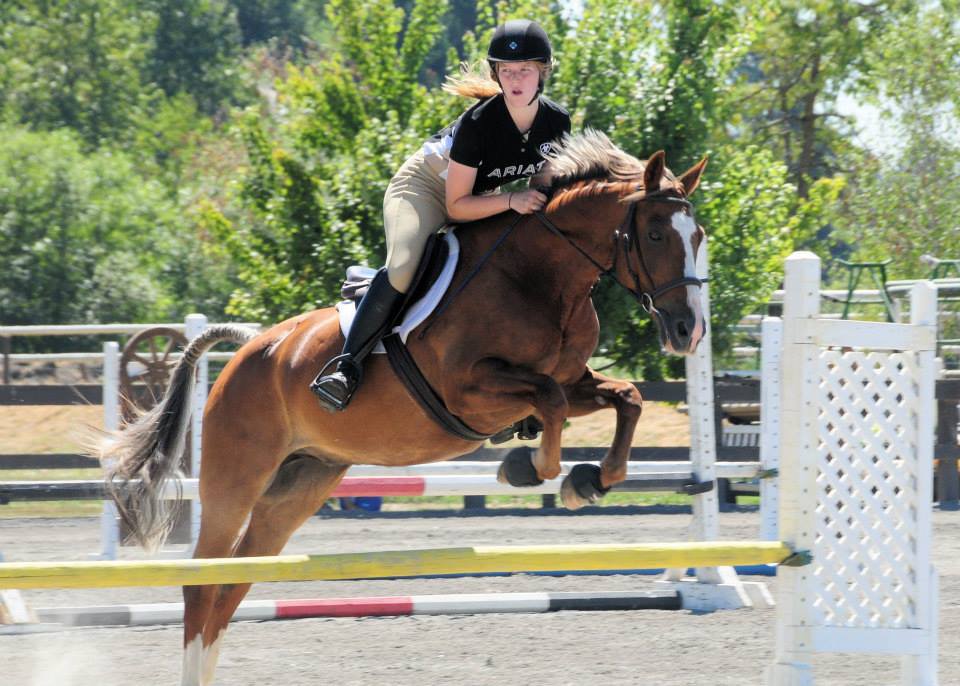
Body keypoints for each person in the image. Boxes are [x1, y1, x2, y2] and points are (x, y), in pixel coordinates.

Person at [311, 19, 572, 412]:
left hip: (488, 196)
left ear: (543, 73)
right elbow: (456, 208)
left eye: (525, 70)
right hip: (425, 191)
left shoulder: (557, 122)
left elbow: (539, 187)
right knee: (403, 268)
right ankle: (345, 368)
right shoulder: (479, 123)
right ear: (496, 74)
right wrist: (513, 202)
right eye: (507, 70)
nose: (516, 79)